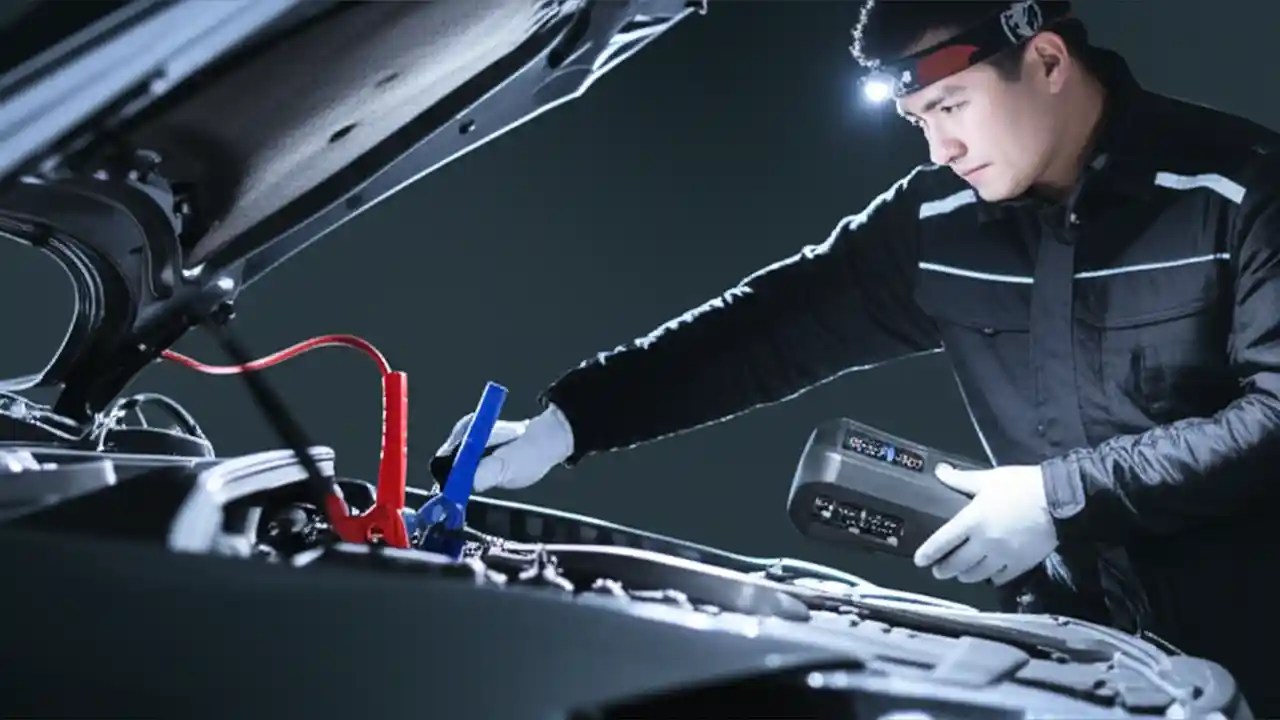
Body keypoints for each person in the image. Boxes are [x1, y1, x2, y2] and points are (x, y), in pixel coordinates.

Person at [435, 0, 1280, 711]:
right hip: (1075, 666)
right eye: (919, 122)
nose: (938, 150)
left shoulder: (1244, 193)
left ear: (1048, 59)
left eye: (951, 106)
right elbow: (769, 328)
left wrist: (1059, 499)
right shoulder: (940, 220)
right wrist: (571, 422)